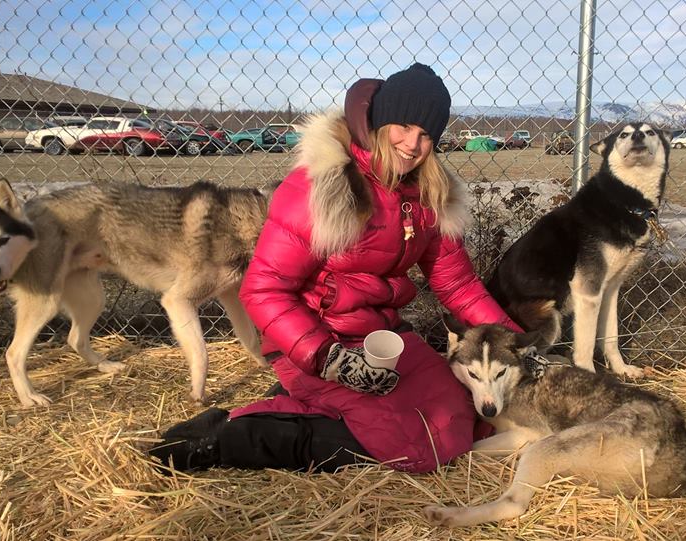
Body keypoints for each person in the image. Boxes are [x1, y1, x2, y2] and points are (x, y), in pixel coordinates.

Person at [149, 63, 521, 474]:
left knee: (458, 422)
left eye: (427, 134)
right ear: (380, 122)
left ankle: (308, 403)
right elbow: (263, 288)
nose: (413, 144)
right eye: (403, 125)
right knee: (410, 447)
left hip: (381, 339)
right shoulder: (325, 185)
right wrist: (329, 359)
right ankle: (226, 435)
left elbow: (459, 285)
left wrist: (518, 345)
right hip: (317, 342)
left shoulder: (429, 194)